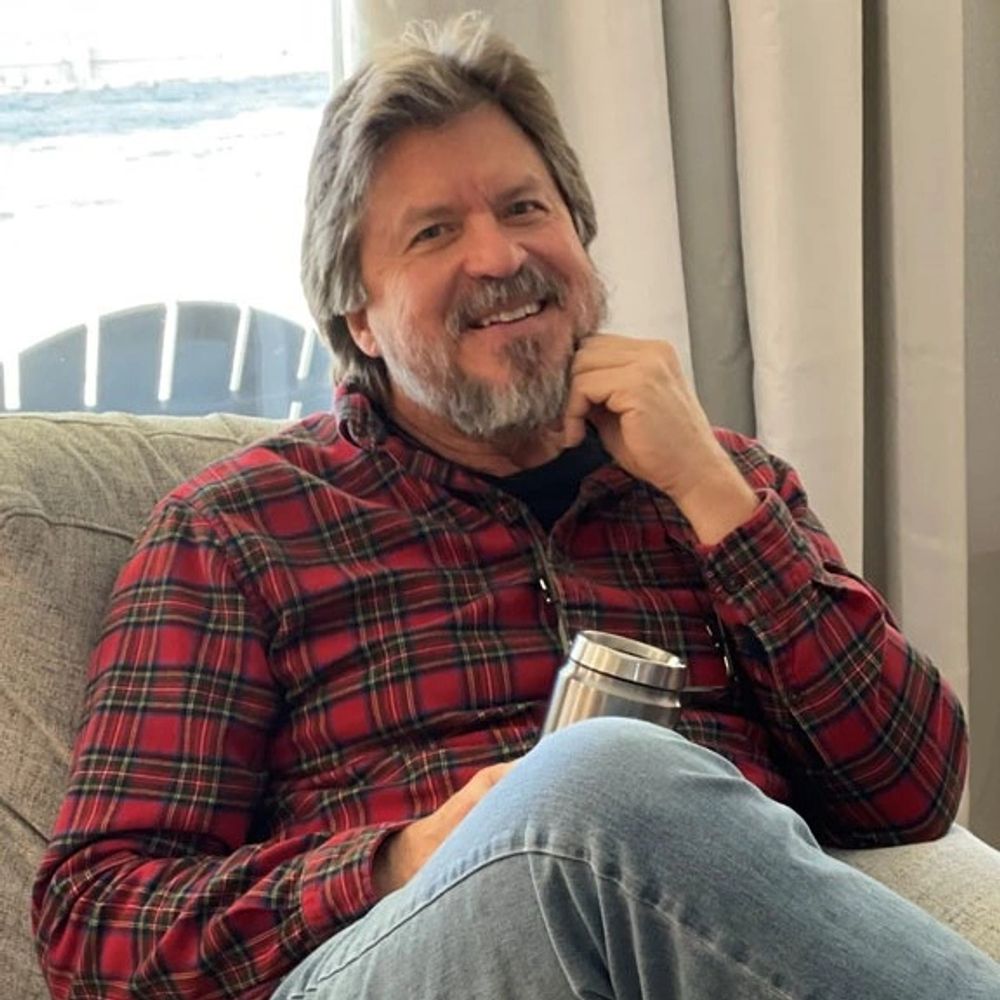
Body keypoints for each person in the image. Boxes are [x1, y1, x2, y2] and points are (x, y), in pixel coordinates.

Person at [32, 15, 1000, 1000]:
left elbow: (909, 794)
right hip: (401, 956)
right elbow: (94, 926)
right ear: (358, 316)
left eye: (525, 207)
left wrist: (713, 492)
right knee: (605, 774)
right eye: (433, 232)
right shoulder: (237, 528)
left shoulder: (719, 486)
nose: (499, 257)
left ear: (580, 238)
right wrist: (400, 858)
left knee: (613, 780)